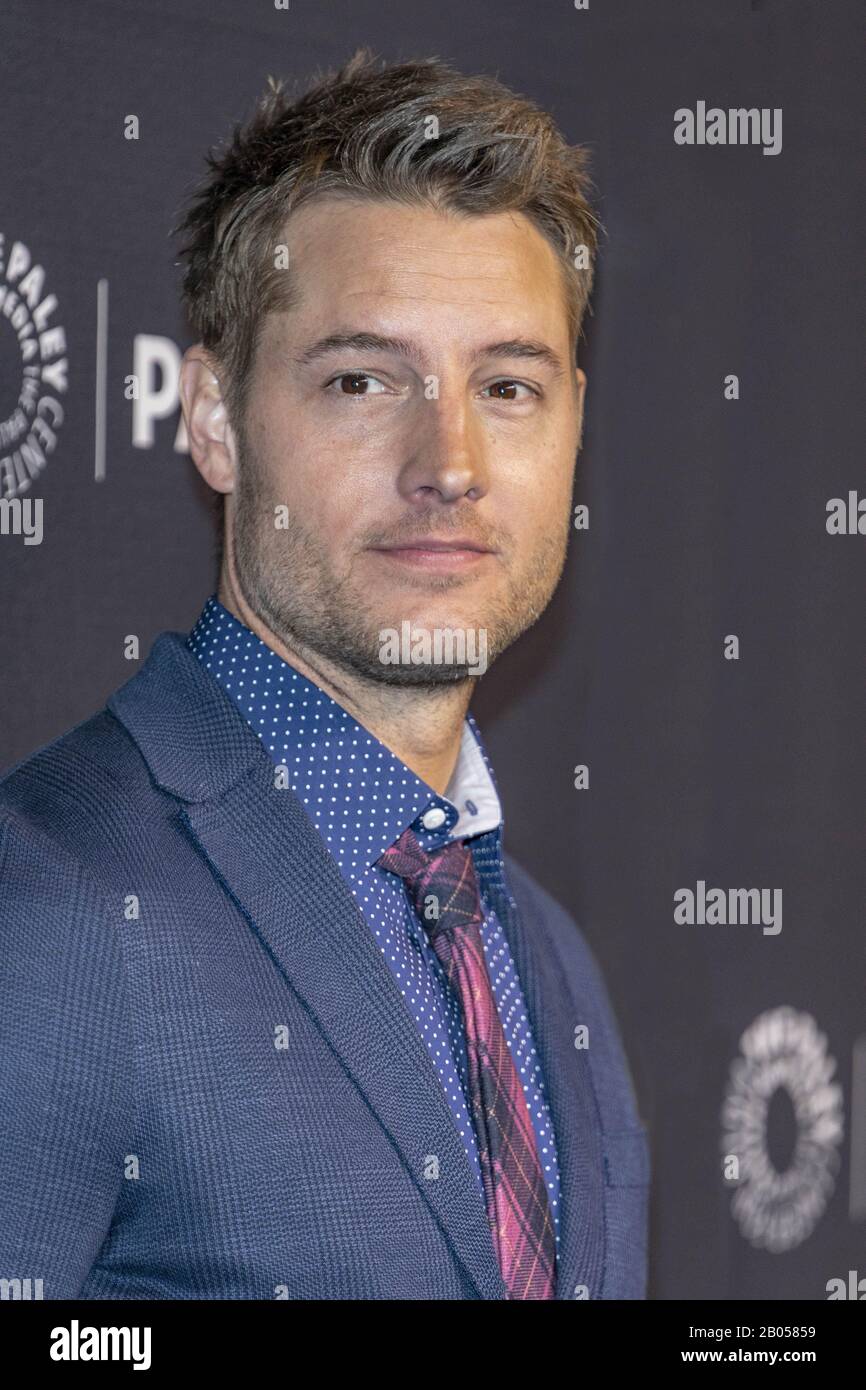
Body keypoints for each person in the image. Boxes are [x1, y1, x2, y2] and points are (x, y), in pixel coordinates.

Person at [0, 49, 649, 1300]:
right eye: (362, 379)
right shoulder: (49, 906)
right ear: (212, 419)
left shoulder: (546, 958)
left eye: (505, 386)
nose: (447, 460)